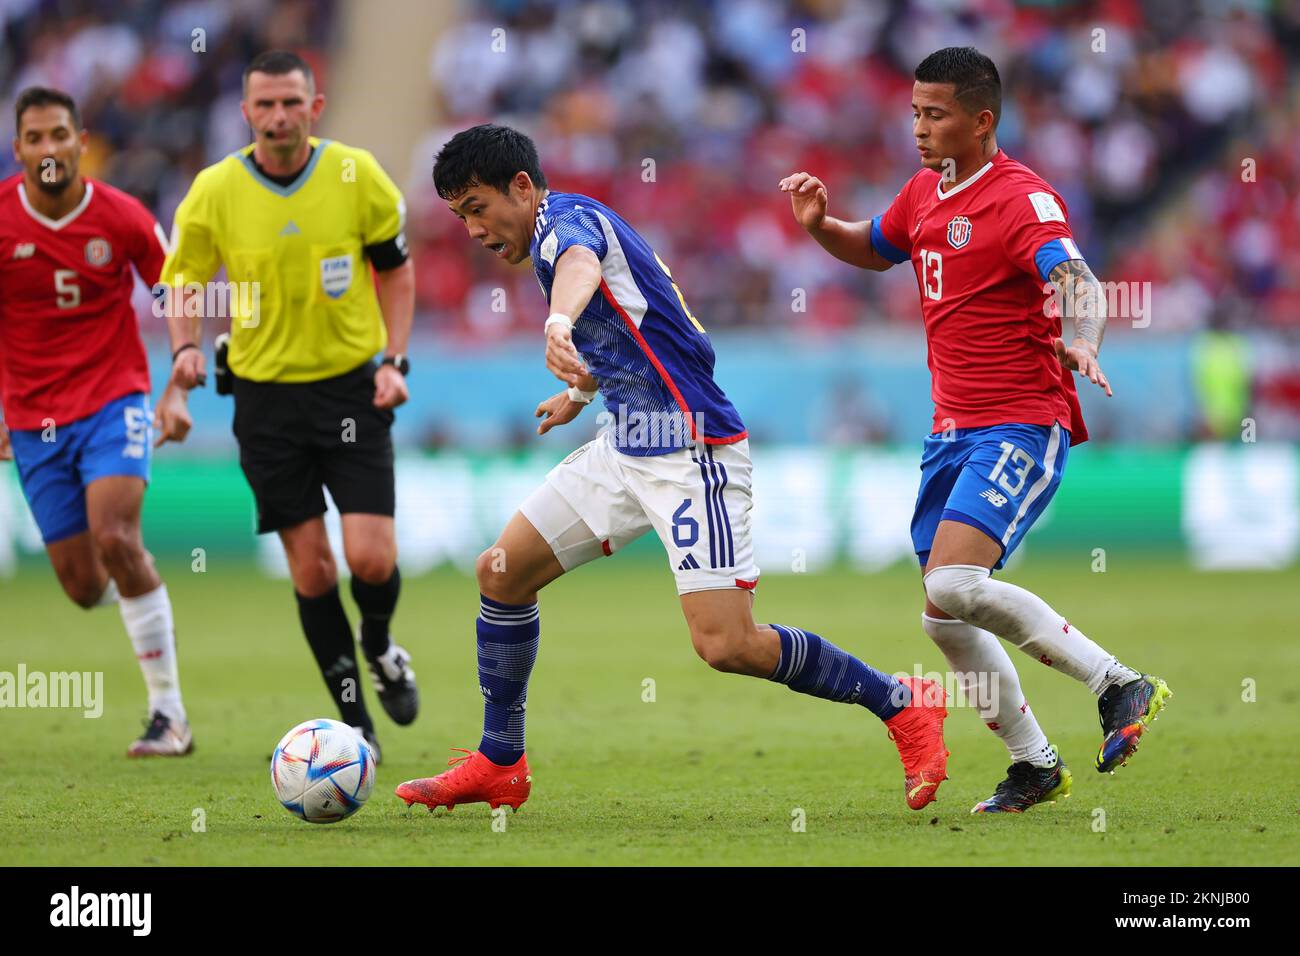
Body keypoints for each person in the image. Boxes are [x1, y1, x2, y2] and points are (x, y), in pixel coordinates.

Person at [395, 123, 949, 814]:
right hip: (625, 445)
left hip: (692, 451)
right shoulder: (556, 232)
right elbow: (637, 325)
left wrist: (556, 325)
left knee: (726, 644)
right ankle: (501, 760)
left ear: (521, 187)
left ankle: (903, 704)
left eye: (476, 208)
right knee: (501, 572)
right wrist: (579, 391)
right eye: (459, 216)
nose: (473, 228)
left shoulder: (565, 225)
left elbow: (581, 269)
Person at [781, 47, 1172, 813]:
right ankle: (1035, 764)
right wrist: (821, 224)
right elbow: (874, 247)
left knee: (955, 583)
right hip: (950, 432)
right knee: (943, 615)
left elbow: (1075, 281)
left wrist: (1083, 334)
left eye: (936, 115)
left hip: (1022, 421)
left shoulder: (1021, 200)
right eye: (916, 113)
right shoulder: (926, 192)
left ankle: (1119, 683)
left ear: (982, 120)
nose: (920, 129)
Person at [156, 51, 417, 761]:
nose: (277, 117)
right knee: (311, 571)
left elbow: (394, 272)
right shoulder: (213, 191)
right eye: (264, 105)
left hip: (351, 389)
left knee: (368, 558)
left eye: (290, 103)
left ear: (315, 107)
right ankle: (354, 722)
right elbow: (181, 281)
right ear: (245, 113)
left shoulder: (355, 175)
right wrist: (185, 350)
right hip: (265, 402)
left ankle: (382, 645)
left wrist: (394, 362)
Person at [0, 87, 192, 755]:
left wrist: (177, 382)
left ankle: (169, 714)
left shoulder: (123, 216)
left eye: (60, 135)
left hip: (114, 400)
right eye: (35, 138)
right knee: (83, 586)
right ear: (19, 146)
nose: (49, 149)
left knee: (115, 534)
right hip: (31, 417)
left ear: (83, 142)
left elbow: (175, 289)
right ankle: (148, 597)